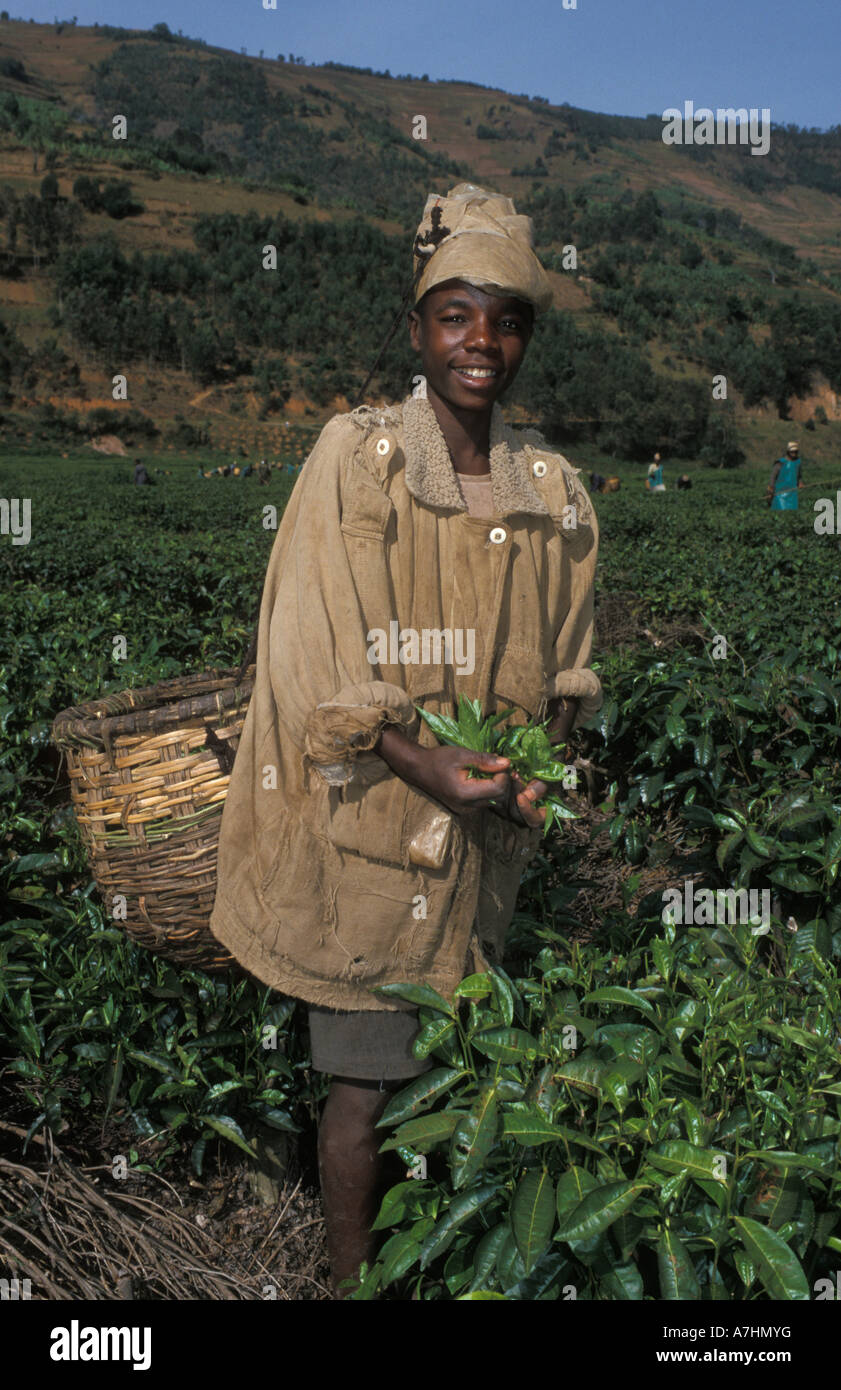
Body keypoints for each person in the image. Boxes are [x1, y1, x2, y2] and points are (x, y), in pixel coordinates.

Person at [209, 182, 603, 1298]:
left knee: (449, 1068)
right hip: (370, 833)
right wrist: (414, 754)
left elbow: (564, 663)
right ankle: (352, 1282)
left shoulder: (552, 491)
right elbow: (312, 641)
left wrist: (534, 775)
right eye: (456, 315)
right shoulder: (360, 457)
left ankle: (423, 1265)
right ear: (418, 326)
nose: (482, 341)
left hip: (477, 848)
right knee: (364, 1088)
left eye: (506, 319)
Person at [766, 440, 803, 510]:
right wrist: (771, 486)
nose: (794, 453)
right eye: (792, 452)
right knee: (780, 509)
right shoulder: (780, 463)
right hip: (780, 492)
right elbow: (773, 476)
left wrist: (800, 482)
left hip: (792, 492)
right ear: (788, 452)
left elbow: (799, 475)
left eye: (795, 451)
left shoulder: (798, 462)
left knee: (792, 511)